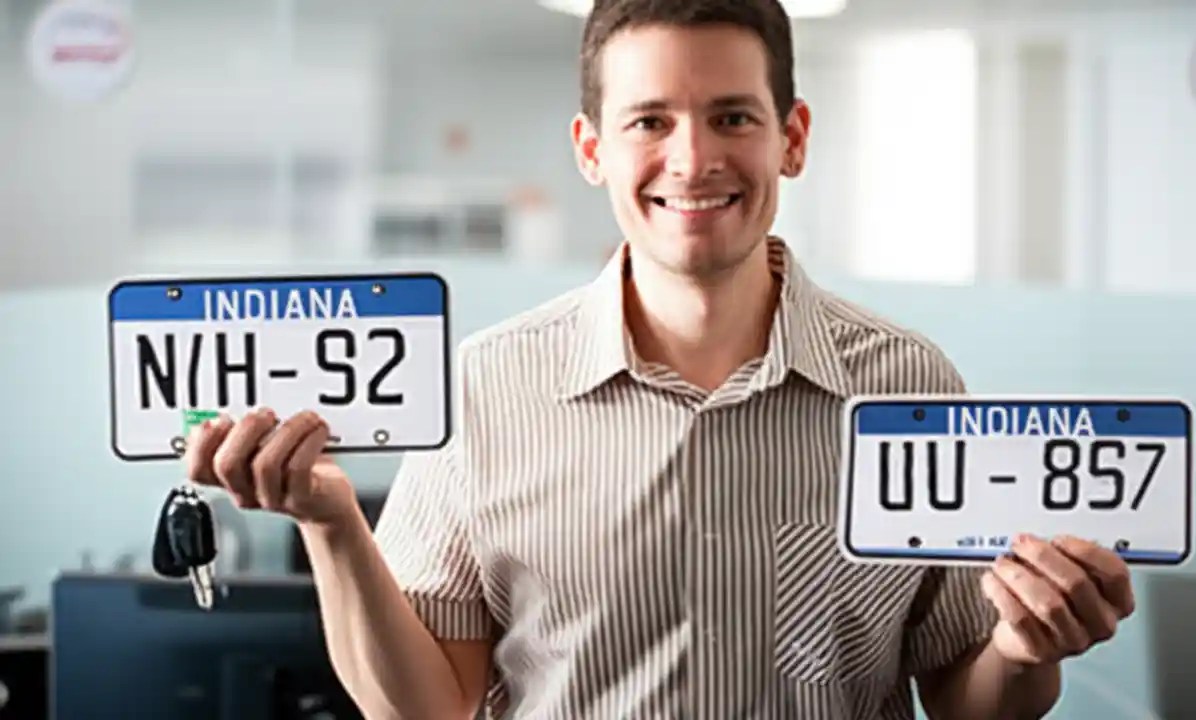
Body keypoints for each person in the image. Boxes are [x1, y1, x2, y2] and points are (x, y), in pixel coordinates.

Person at [185, 0, 1137, 717]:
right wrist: (333, 525)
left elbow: (967, 699)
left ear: (791, 138)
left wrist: (1022, 646)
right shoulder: (485, 387)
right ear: (592, 149)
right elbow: (430, 709)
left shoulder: (908, 384)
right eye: (649, 121)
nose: (692, 160)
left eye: (732, 117)